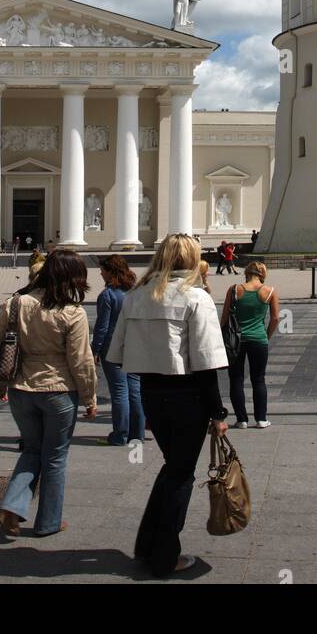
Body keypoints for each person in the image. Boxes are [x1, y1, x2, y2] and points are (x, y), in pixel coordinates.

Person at [106, 234, 229, 579]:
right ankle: (163, 556)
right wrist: (218, 412)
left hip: (151, 394)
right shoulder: (196, 297)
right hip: (188, 397)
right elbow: (206, 363)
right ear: (192, 259)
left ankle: (147, 543)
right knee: (180, 476)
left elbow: (116, 352)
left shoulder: (137, 296)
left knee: (173, 468)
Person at [0, 249, 97, 539]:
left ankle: (12, 507)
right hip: (59, 392)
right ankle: (48, 521)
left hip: (21, 391)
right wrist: (89, 398)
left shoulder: (15, 303)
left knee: (32, 450)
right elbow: (81, 361)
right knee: (54, 457)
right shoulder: (72, 312)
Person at [92, 255, 145, 447]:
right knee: (135, 390)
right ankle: (137, 433)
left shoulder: (107, 295)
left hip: (112, 348)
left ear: (110, 272)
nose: (100, 273)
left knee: (119, 390)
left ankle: (120, 434)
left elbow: (102, 327)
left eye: (103, 270)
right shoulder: (136, 292)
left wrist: (95, 349)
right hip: (135, 346)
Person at [220, 261, 279, 429]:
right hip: (259, 339)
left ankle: (241, 419)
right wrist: (266, 336)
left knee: (236, 379)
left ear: (246, 272)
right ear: (262, 274)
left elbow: (224, 318)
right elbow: (275, 319)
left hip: (236, 341)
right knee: (258, 379)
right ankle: (261, 419)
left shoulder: (234, 290)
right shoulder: (270, 291)